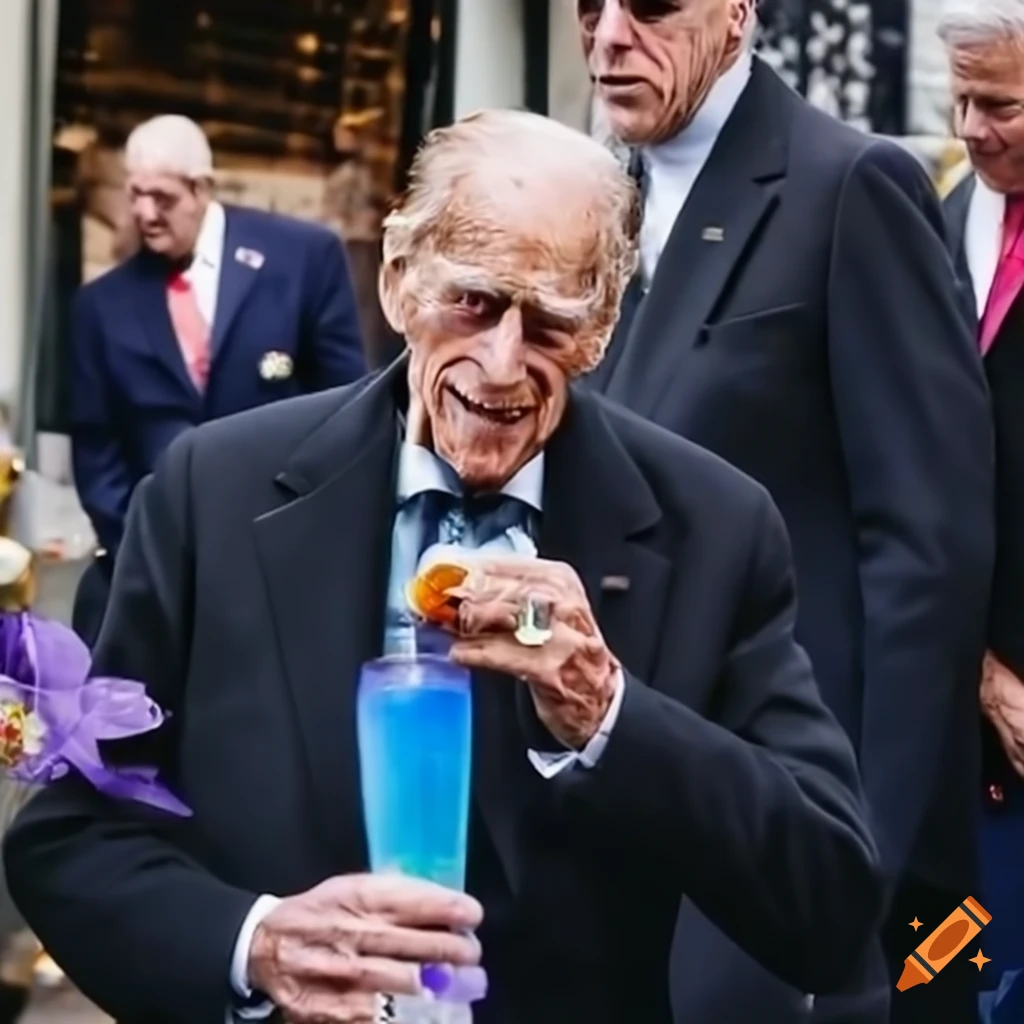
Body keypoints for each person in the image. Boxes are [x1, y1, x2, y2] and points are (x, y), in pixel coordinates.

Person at [5, 110, 884, 1024]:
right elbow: (71, 836)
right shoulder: (210, 492)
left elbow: (830, 907)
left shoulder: (713, 527)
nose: (503, 363)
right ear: (398, 281)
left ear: (605, 327)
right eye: (473, 300)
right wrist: (256, 944)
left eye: (550, 321)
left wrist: (610, 712)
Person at [576, 2, 994, 1023]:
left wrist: (867, 868)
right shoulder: (581, 202)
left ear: (735, 15)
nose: (609, 35)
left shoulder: (850, 185)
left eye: (652, 7)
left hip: (788, 818)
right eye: (587, 7)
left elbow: (926, 549)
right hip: (607, 811)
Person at [69, 114, 366, 646]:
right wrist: (142, 552)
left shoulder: (302, 259)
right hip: (152, 576)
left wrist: (311, 539)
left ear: (200, 188)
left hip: (280, 565)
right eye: (135, 195)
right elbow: (96, 452)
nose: (144, 213)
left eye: (161, 198)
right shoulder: (101, 306)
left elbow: (346, 413)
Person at [940, 3, 1024, 1020]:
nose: (968, 127)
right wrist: (983, 668)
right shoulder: (932, 220)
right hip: (967, 719)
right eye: (957, 99)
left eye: (998, 103)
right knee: (959, 974)